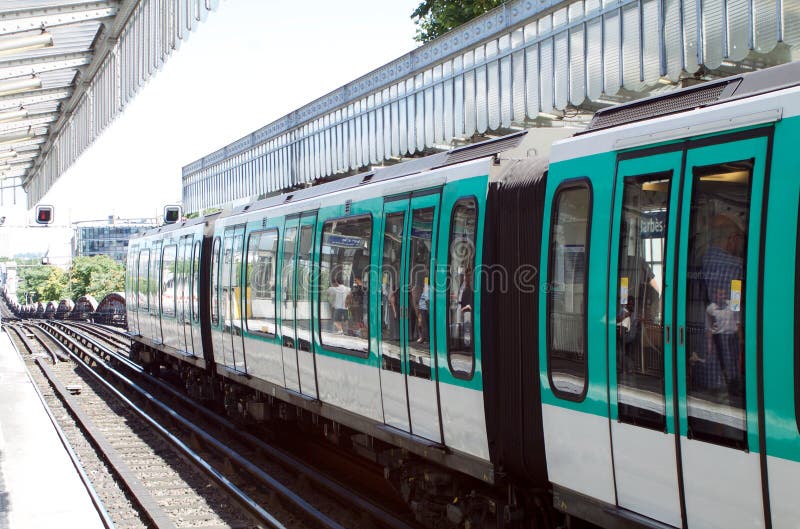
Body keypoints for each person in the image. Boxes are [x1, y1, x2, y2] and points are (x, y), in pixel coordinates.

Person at [701, 214, 745, 398]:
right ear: (732, 239)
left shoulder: (699, 261)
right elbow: (736, 307)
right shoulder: (737, 266)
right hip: (728, 341)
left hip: (701, 347)